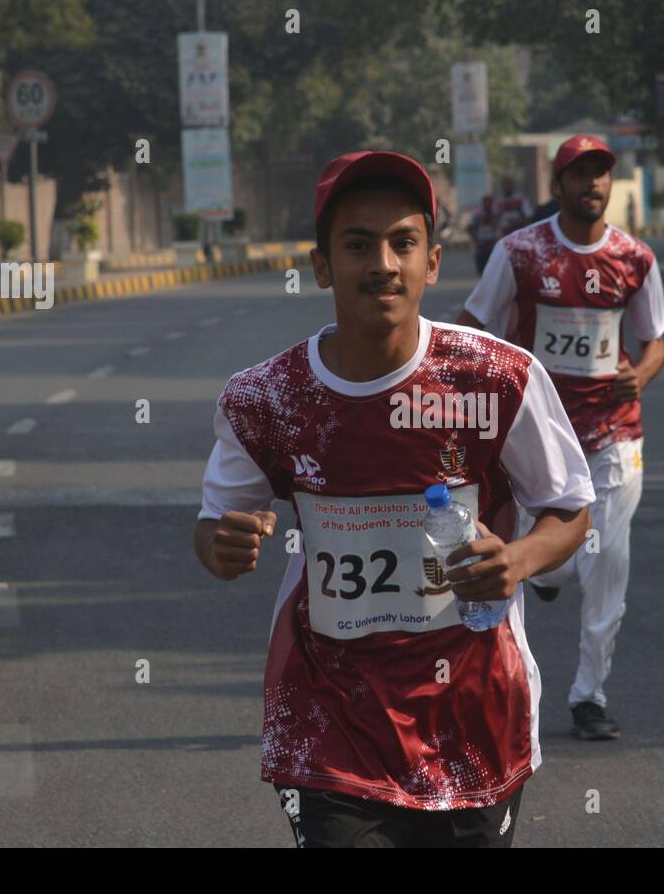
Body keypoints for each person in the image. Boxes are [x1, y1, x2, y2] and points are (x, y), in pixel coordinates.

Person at [194, 149, 595, 848]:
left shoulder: (495, 381)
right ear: (321, 267)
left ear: (432, 262)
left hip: (474, 716)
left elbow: (569, 506)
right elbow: (213, 533)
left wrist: (521, 558)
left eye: (402, 243)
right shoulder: (267, 399)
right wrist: (222, 544)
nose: (382, 264)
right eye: (357, 245)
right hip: (329, 718)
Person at [456, 135, 664, 741]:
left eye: (600, 174)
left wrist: (640, 375)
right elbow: (474, 327)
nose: (592, 185)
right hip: (538, 437)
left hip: (612, 434)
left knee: (609, 558)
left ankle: (588, 696)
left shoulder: (635, 259)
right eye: (579, 174)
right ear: (558, 186)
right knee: (549, 558)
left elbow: (654, 340)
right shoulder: (519, 253)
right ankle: (548, 574)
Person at [466, 193, 501, 275]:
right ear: (482, 203)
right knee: (481, 271)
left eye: (489, 202)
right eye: (486, 202)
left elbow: (502, 227)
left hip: (493, 246)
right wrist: (476, 240)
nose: (487, 204)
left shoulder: (497, 214)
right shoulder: (477, 214)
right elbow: (470, 228)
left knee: (494, 271)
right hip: (481, 247)